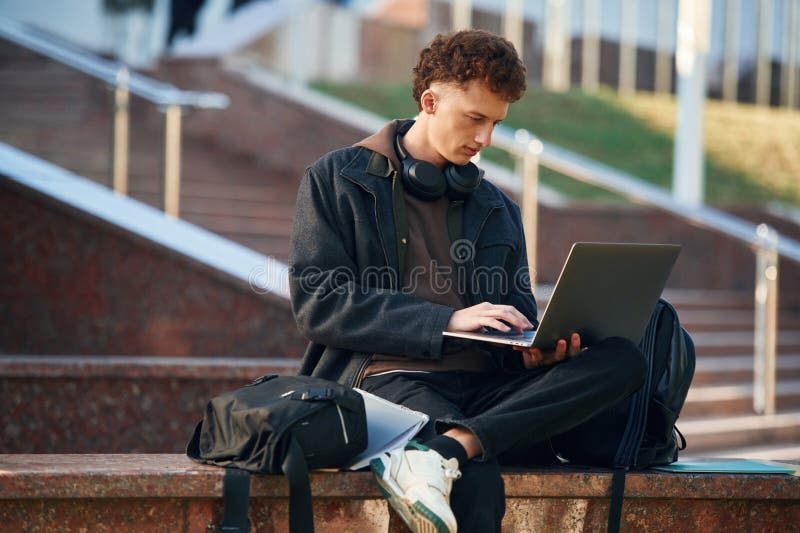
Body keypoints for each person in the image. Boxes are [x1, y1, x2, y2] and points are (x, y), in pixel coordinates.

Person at [289, 29, 647, 533]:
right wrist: (447, 320)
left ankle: (443, 451)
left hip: (485, 385)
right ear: (429, 102)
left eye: (496, 123)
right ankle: (458, 452)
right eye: (475, 119)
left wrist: (535, 348)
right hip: (387, 379)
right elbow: (320, 303)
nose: (485, 140)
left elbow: (516, 308)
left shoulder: (498, 208)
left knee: (624, 360)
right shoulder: (337, 180)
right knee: (475, 481)